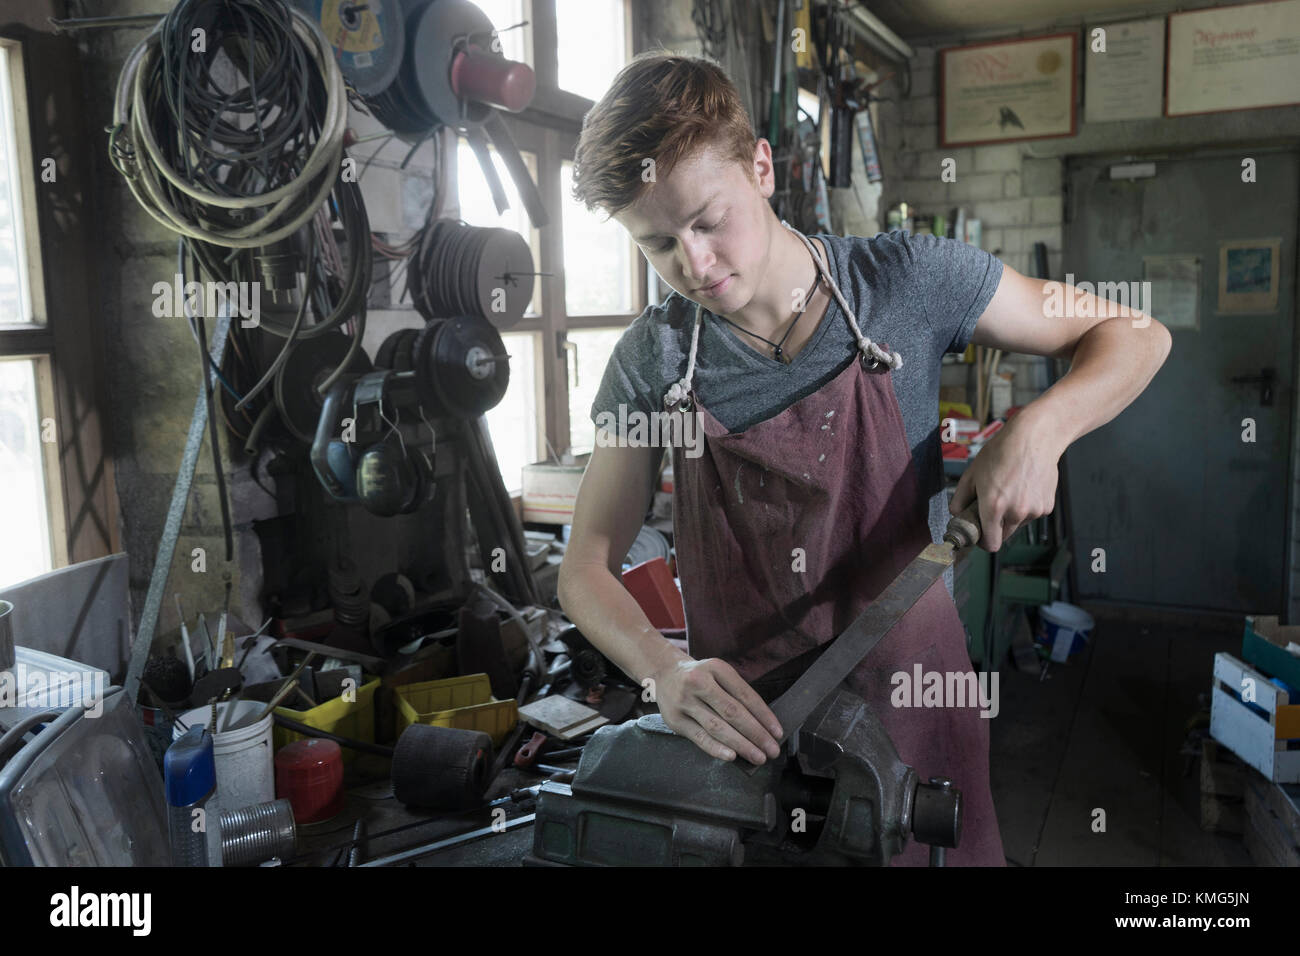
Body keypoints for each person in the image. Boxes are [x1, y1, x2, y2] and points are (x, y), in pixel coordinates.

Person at [556, 52, 1171, 866]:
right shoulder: (656, 361)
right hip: (755, 750)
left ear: (762, 167)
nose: (695, 265)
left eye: (708, 220)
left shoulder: (906, 283)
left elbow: (1135, 333)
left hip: (916, 703)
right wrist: (664, 673)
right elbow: (586, 566)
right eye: (659, 245)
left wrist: (1040, 428)